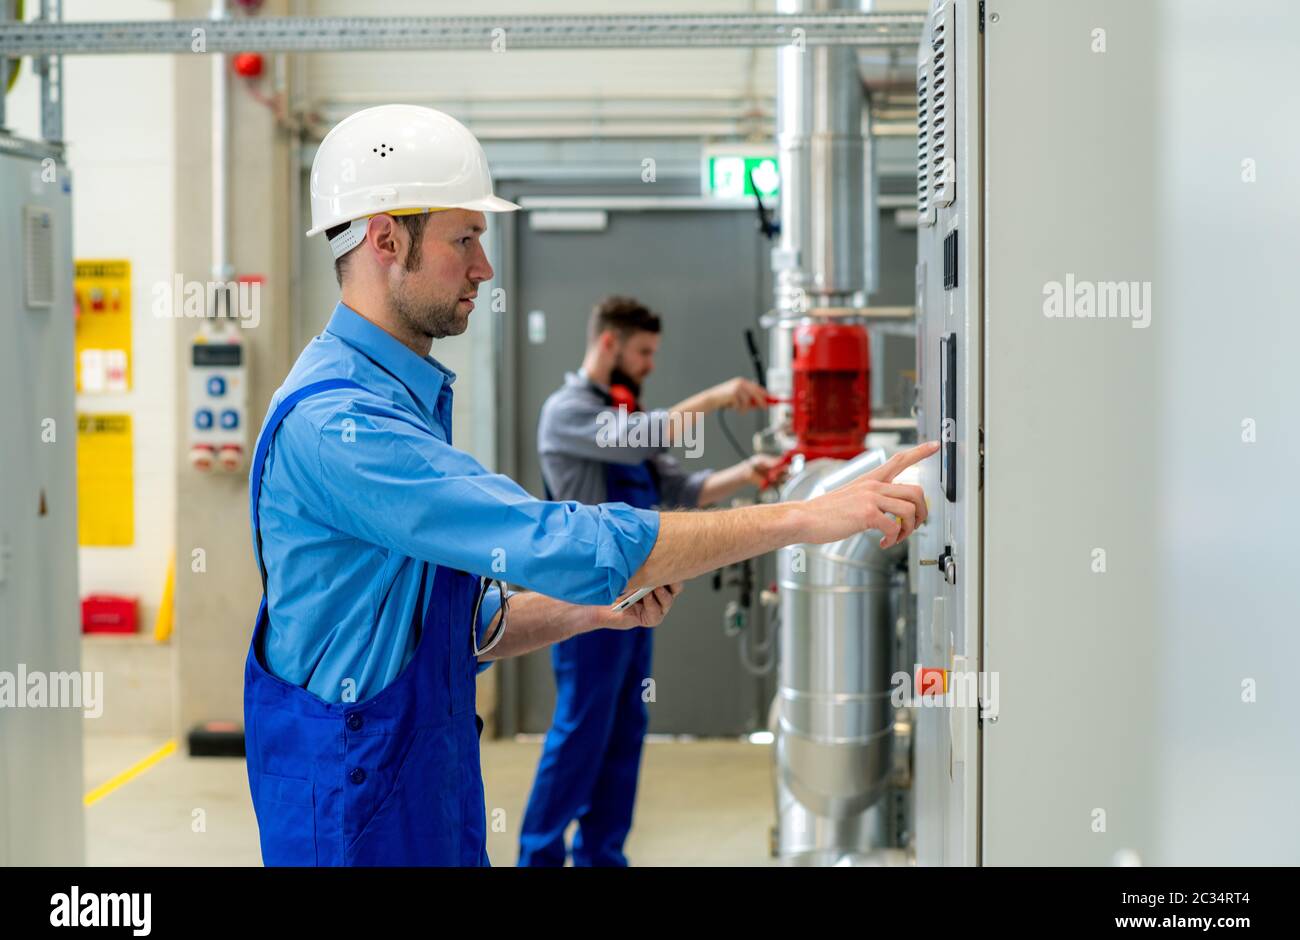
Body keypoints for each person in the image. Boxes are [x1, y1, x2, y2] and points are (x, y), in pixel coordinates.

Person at [245, 103, 938, 867]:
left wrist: (589, 609)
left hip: (416, 801)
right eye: (465, 238)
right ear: (385, 239)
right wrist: (808, 517)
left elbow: (463, 629)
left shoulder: (394, 400)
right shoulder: (344, 425)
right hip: (358, 824)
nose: (484, 265)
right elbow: (562, 541)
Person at [518, 295, 779, 866]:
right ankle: (537, 858)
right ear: (608, 342)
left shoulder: (626, 411)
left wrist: (748, 474)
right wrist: (714, 398)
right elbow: (639, 438)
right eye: (642, 352)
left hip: (637, 604)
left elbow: (682, 492)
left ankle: (602, 856)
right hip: (585, 607)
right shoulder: (567, 412)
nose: (649, 365)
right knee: (581, 732)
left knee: (624, 732)